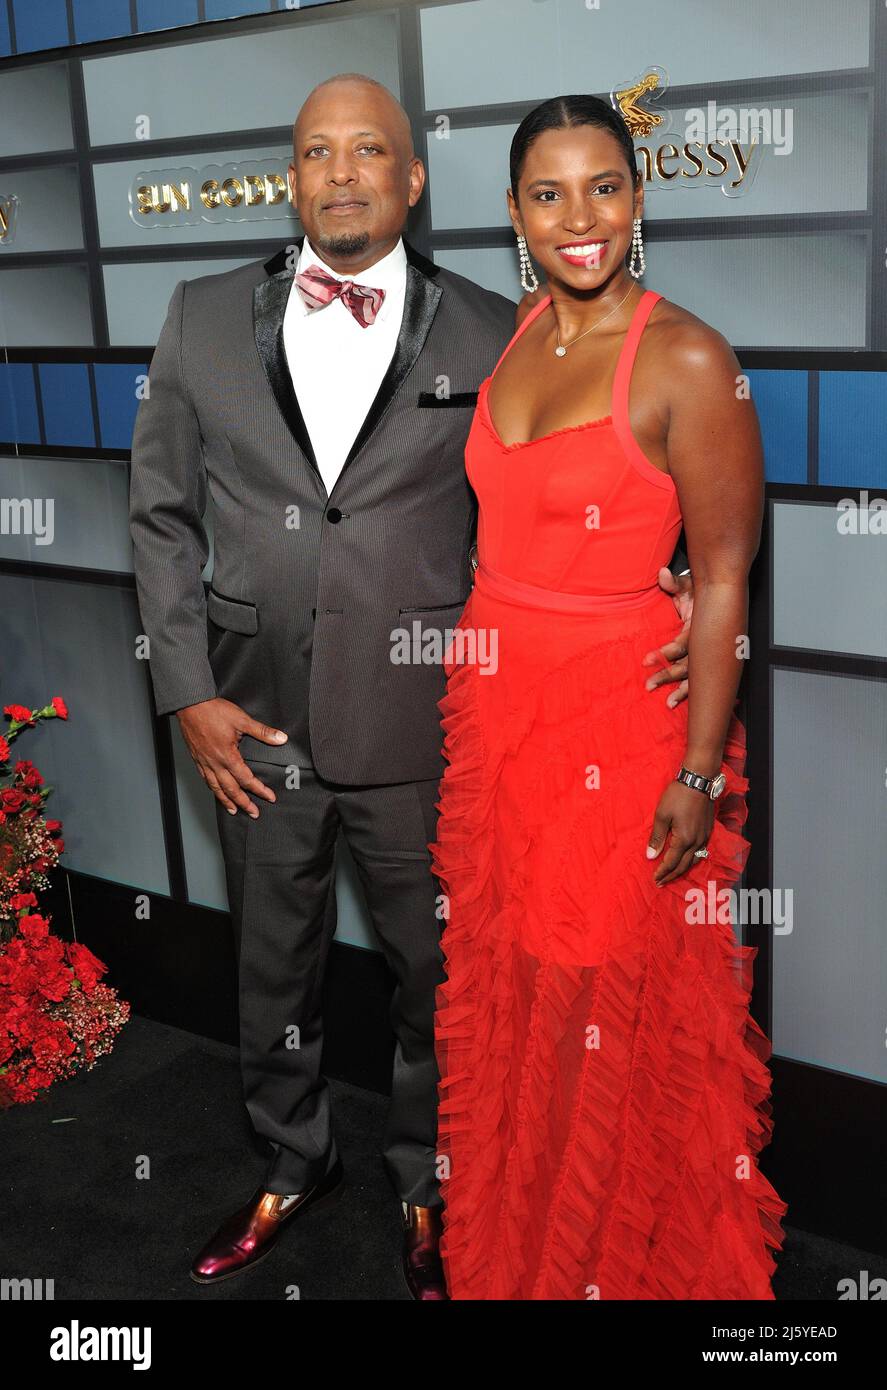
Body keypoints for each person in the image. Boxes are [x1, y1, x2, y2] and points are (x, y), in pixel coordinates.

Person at [128, 74, 692, 1300]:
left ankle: (430, 1183)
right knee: (268, 965)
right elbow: (160, 518)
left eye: (367, 151)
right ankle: (290, 1160)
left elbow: (599, 474)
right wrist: (184, 689)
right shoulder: (201, 315)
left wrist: (683, 585)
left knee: (435, 979)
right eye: (316, 153)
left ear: (412, 178)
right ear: (292, 175)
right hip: (252, 718)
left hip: (427, 716)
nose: (341, 174)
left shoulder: (498, 328)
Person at [428, 94, 788, 1300]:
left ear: (638, 200)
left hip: (616, 729)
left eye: (602, 188)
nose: (577, 218)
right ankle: (523, 1257)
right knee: (520, 993)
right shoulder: (523, 331)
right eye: (547, 194)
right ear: (516, 214)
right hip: (502, 724)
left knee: (612, 1005)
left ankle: (621, 1270)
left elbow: (725, 574)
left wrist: (694, 771)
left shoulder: (686, 355)